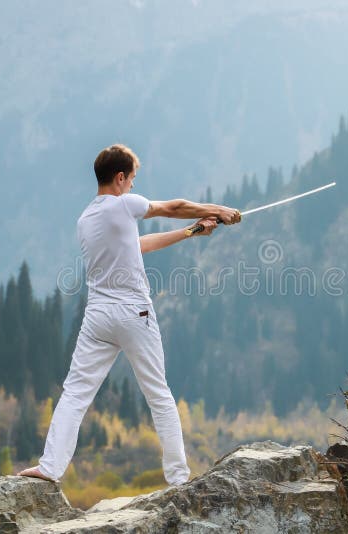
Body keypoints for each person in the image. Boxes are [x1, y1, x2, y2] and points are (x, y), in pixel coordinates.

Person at [18, 144, 241, 485]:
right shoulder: (125, 204)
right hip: (133, 312)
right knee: (159, 395)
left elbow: (140, 245)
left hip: (97, 318)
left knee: (75, 393)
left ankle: (49, 468)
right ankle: (179, 480)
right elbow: (174, 207)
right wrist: (220, 209)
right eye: (133, 178)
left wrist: (195, 230)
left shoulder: (86, 220)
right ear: (120, 178)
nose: (134, 186)